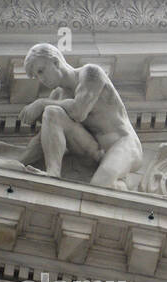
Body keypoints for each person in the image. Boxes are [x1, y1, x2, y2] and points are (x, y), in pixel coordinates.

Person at [18, 43, 143, 189]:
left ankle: (119, 183)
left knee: (99, 186)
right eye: (37, 76)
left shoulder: (91, 73)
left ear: (55, 62)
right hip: (94, 150)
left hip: (122, 143)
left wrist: (40, 103)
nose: (41, 79)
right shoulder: (57, 96)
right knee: (52, 112)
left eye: (41, 71)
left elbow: (79, 111)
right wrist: (19, 163)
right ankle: (53, 174)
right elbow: (43, 139)